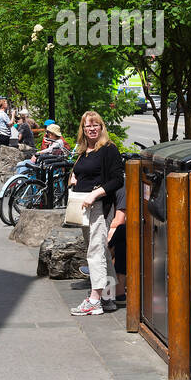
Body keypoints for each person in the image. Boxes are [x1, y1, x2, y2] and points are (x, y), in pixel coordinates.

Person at [68, 111, 124, 316]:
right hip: (84, 207)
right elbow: (83, 173)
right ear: (82, 129)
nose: (91, 129)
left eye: (95, 125)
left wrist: (95, 194)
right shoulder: (85, 150)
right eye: (87, 126)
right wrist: (74, 178)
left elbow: (118, 179)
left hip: (99, 207)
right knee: (99, 252)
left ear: (101, 127)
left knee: (95, 252)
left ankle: (94, 300)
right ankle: (108, 297)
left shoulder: (108, 149)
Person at [107, 182, 127, 306]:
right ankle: (118, 292)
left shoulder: (120, 190)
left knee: (119, 233)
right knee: (120, 236)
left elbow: (119, 220)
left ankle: (105, 255)